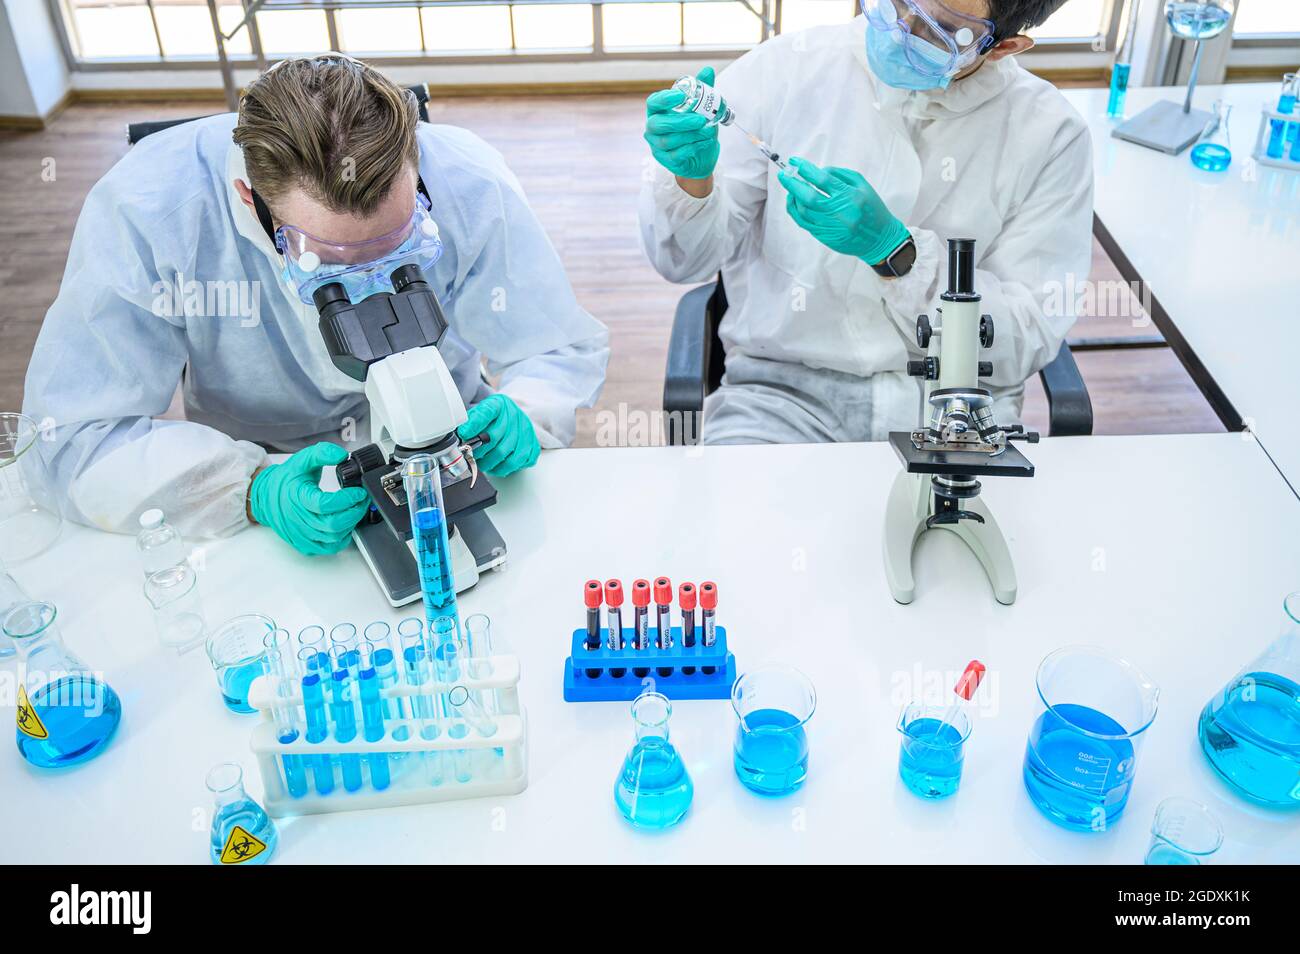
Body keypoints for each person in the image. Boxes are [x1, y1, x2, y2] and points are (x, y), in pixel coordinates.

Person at [24, 54, 608, 555]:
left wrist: (526, 412)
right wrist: (250, 490)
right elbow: (69, 439)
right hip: (268, 468)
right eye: (332, 264)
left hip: (454, 451)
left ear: (415, 167)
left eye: (398, 249)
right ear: (251, 202)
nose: (372, 290)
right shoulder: (148, 211)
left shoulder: (467, 179)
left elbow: (554, 347)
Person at [639, 0, 1092, 445]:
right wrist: (691, 180)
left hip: (956, 411)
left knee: (961, 523)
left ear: (1003, 47)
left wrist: (898, 255)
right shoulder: (785, 70)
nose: (901, 29)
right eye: (898, 2)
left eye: (940, 31)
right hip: (780, 402)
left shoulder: (1049, 133)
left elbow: (1026, 336)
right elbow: (683, 262)